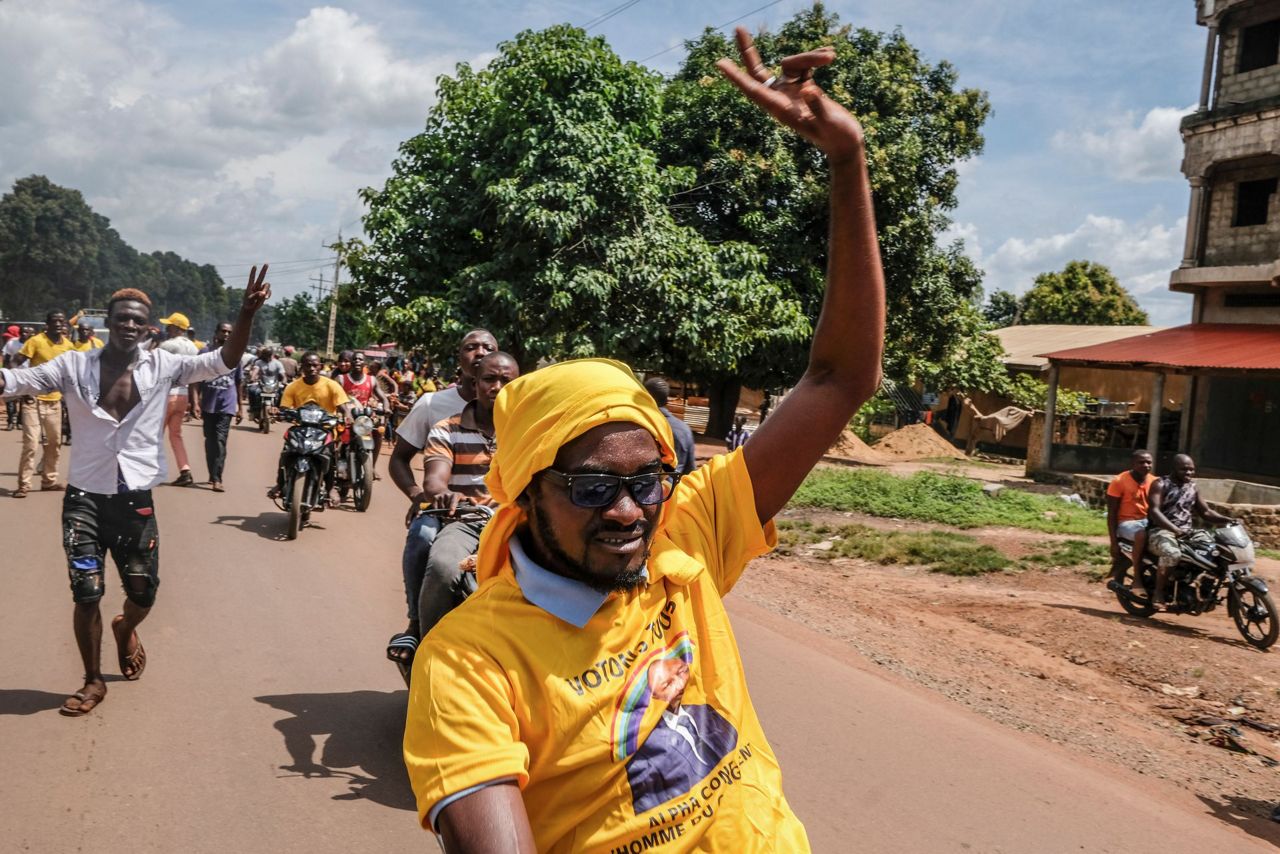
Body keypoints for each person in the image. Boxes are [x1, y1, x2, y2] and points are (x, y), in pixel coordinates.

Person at [404, 30, 884, 852]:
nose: (630, 512)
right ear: (525, 496)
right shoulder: (468, 663)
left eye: (649, 481)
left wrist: (847, 163)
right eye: (593, 488)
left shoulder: (683, 534)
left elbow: (839, 378)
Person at [0, 268, 270, 716]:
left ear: (149, 328)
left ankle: (126, 627)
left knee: (143, 592)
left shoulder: (165, 365)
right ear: (109, 320)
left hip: (135, 499)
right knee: (86, 590)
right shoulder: (72, 365)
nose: (128, 324)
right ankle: (91, 680)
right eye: (121, 317)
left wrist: (245, 314)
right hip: (84, 498)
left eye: (137, 320)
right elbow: (16, 383)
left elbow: (224, 360)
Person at [386, 329, 498, 669]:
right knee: (424, 540)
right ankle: (417, 625)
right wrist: (421, 495)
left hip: (502, 514)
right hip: (448, 509)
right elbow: (399, 459)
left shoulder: (520, 417)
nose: (479, 352)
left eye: (487, 348)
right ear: (460, 358)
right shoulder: (434, 406)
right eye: (471, 347)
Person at [413, 351, 519, 639]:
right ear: (475, 384)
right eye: (489, 379)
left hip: (519, 525)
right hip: (468, 521)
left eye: (506, 381)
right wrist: (446, 495)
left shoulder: (528, 432)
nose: (497, 387)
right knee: (444, 567)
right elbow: (434, 481)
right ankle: (427, 646)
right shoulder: (446, 429)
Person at [624, 654, 739, 814]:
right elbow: (649, 812)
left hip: (735, 801)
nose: (678, 686)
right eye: (667, 684)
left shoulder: (706, 712)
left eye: (680, 673)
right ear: (654, 694)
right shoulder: (647, 749)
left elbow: (736, 746)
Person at [1146, 454, 1235, 610]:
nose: (1188, 473)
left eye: (1191, 470)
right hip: (1161, 531)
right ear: (1174, 468)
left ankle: (1204, 589)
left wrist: (1228, 520)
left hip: (1187, 531)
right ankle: (1158, 592)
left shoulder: (1193, 487)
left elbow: (1206, 512)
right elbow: (1154, 511)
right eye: (1184, 469)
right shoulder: (1160, 484)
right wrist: (1174, 529)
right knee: (1172, 554)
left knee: (1214, 550)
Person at [270, 352, 353, 503]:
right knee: (286, 454)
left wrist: (347, 415)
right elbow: (284, 408)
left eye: (315, 365)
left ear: (320, 367)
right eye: (308, 365)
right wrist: (277, 411)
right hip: (299, 429)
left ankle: (330, 488)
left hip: (325, 429)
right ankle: (280, 484)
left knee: (330, 455)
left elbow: (343, 406)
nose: (312, 368)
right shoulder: (292, 387)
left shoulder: (332, 385)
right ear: (301, 367)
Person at [12, 310, 74, 496]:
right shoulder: (36, 341)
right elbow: (16, 360)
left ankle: (49, 481)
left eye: (61, 321)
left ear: (65, 325)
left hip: (54, 403)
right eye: (54, 321)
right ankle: (24, 485)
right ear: (47, 323)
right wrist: (21, 385)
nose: (58, 324)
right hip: (33, 400)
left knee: (54, 443)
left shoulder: (68, 346)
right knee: (31, 444)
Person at [191, 322, 244, 492]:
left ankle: (217, 478)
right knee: (210, 440)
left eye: (230, 332)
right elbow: (195, 379)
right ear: (216, 332)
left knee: (221, 441)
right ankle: (211, 473)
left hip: (226, 404)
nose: (226, 335)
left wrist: (240, 407)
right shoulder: (205, 353)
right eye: (223, 331)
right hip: (208, 404)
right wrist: (195, 402)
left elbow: (238, 382)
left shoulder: (236, 355)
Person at [155, 312, 199, 486]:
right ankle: (185, 470)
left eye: (169, 326)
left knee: (155, 435)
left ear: (176, 328)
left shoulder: (167, 345)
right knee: (176, 436)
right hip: (183, 394)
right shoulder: (194, 347)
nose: (167, 328)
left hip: (166, 394)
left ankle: (153, 471)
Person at [336, 350, 391, 477]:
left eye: (360, 359)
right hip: (344, 415)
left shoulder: (371, 380)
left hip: (363, 417)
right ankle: (337, 464)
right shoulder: (341, 379)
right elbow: (334, 396)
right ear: (351, 362)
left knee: (378, 432)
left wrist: (386, 408)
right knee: (336, 435)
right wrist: (343, 411)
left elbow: (383, 398)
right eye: (354, 359)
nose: (357, 361)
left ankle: (371, 467)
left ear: (365, 363)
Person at [1104, 449, 1153, 590]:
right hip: (1126, 523)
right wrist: (1113, 543)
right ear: (1132, 463)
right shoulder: (1119, 481)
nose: (1146, 465)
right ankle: (1137, 577)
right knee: (1142, 534)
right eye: (1141, 462)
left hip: (1147, 520)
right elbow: (1112, 513)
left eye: (1149, 462)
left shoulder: (1155, 481)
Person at [643, 376, 696, 475]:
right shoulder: (684, 429)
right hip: (676, 487)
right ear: (666, 400)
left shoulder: (644, 427)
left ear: (645, 397)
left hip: (650, 488)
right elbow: (690, 470)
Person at [3, 325, 23, 429]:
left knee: (23, 400)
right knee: (10, 398)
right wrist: (6, 372)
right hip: (12, 374)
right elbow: (6, 358)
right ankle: (11, 421)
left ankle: (20, 421)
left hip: (25, 375)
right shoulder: (11, 343)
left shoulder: (30, 343)